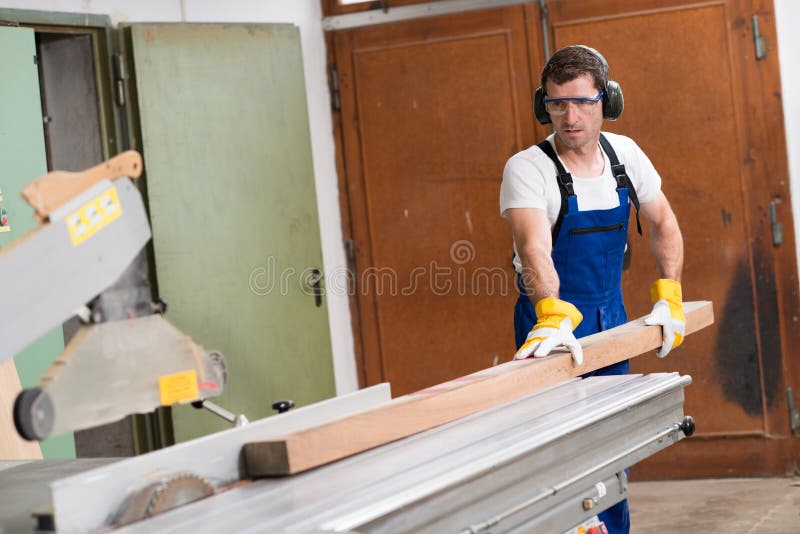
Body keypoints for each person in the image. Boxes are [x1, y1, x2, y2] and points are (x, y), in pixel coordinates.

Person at [499, 45, 685, 534]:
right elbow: (534, 248)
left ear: (608, 100)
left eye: (582, 102)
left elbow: (663, 220)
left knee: (611, 446)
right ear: (545, 106)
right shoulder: (528, 168)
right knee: (560, 450)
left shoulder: (625, 155)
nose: (570, 116)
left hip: (612, 319)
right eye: (558, 104)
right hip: (551, 324)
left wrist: (670, 294)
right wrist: (550, 311)